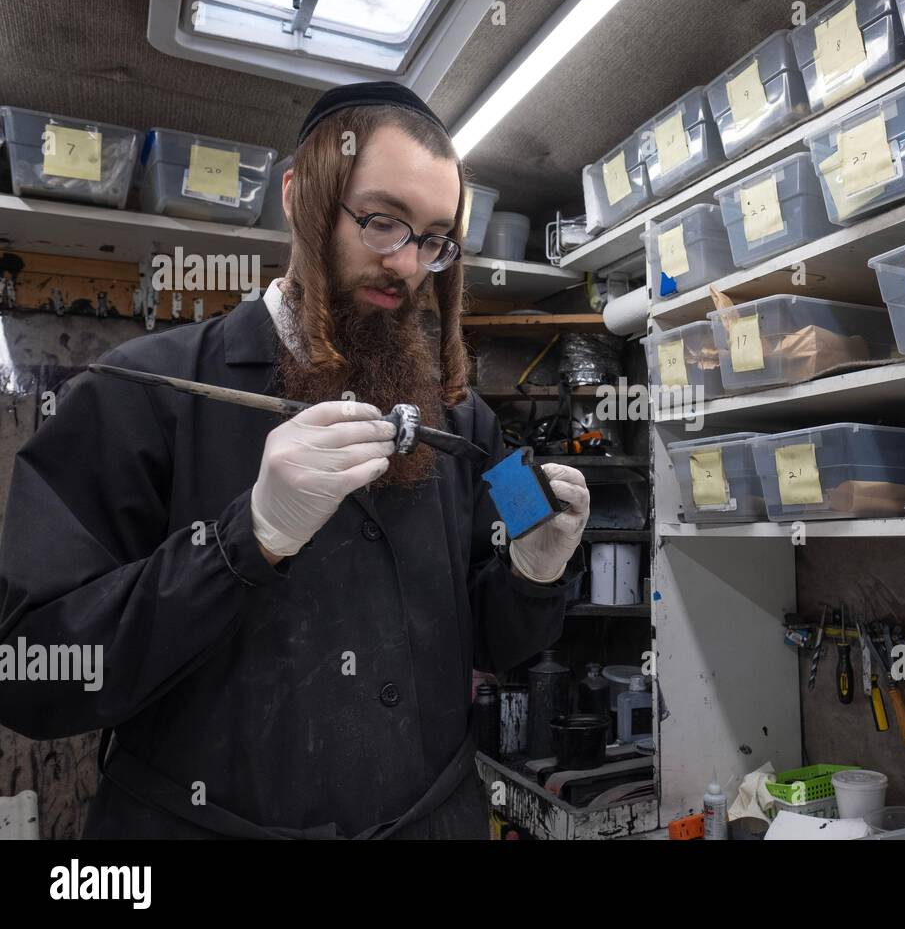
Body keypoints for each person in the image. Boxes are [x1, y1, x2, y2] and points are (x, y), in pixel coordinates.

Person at [0, 82, 589, 838]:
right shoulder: (136, 394)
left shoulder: (462, 419)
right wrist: (244, 539)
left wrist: (533, 575)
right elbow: (33, 676)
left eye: (435, 239)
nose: (407, 264)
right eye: (382, 222)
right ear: (298, 197)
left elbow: (493, 638)